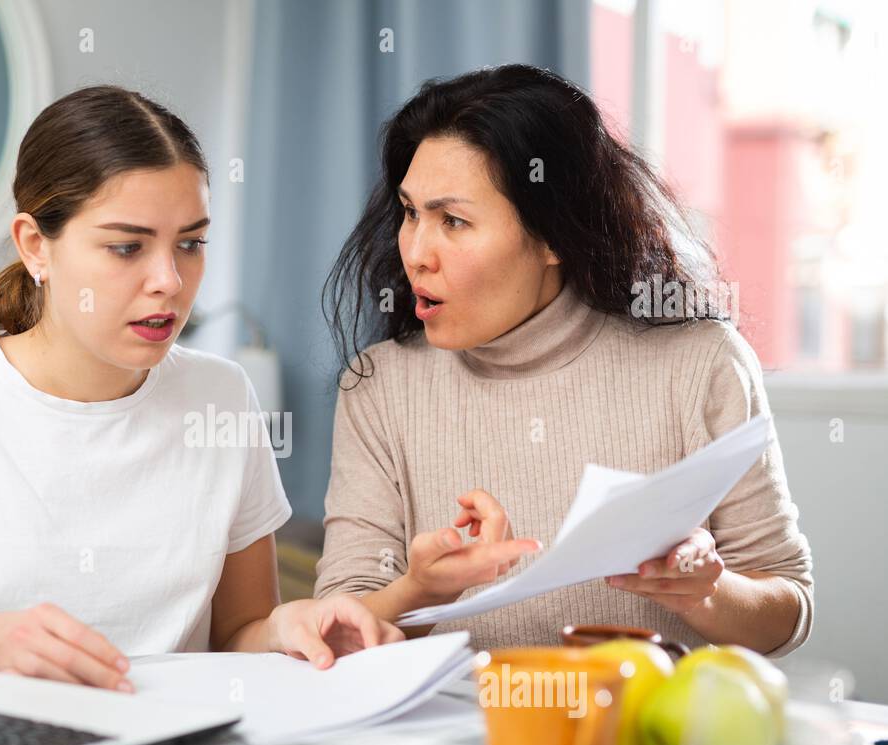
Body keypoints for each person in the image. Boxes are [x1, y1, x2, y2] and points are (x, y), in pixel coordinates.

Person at [0, 86, 404, 692]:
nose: (169, 281)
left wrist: (286, 626)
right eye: (126, 247)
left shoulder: (220, 398)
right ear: (35, 245)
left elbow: (237, 633)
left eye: (190, 244)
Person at [316, 64, 813, 656]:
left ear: (553, 236)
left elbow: (786, 609)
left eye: (453, 221)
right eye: (410, 213)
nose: (417, 253)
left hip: (645, 737)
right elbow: (339, 630)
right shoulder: (379, 389)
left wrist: (705, 592)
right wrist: (422, 590)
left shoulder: (699, 365)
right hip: (457, 738)